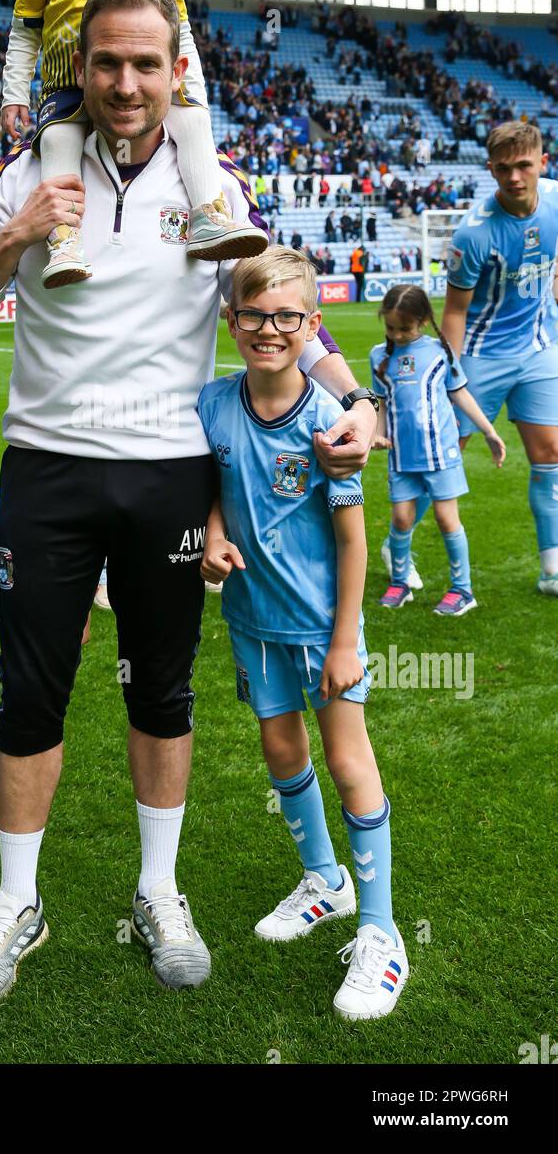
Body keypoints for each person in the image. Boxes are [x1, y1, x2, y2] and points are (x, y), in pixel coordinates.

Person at [0, 0, 379, 1006]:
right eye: (105, 63)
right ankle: (15, 903)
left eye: (144, 64)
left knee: (160, 688)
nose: (125, 84)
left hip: (171, 472)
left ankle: (157, 892)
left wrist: (359, 402)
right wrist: (16, 233)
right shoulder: (27, 174)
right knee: (32, 688)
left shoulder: (210, 181)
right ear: (77, 69)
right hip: (46, 464)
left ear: (175, 71)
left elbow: (282, 310)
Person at [197, 248, 406, 1021]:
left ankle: (383, 930)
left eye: (288, 317)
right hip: (251, 620)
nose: (269, 329)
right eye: (254, 315)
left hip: (323, 628)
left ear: (312, 325)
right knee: (281, 751)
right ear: (231, 320)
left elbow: (354, 541)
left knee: (349, 762)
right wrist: (215, 538)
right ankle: (327, 878)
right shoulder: (213, 405)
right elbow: (215, 489)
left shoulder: (331, 422)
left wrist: (347, 640)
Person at [0, 0, 265, 288]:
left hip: (141, 89)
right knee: (59, 140)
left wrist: (191, 92)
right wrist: (13, 95)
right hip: (66, 86)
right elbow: (25, 34)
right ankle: (64, 240)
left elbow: (179, 30)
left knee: (195, 122)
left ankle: (209, 217)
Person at [443, 121, 558, 596]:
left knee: (550, 454)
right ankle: (399, 543)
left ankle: (552, 569)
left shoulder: (555, 200)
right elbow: (454, 311)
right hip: (480, 355)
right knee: (442, 456)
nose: (515, 177)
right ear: (491, 169)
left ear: (542, 163)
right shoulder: (473, 233)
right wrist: (446, 373)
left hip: (538, 348)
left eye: (524, 165)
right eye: (505, 168)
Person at [370, 286, 506, 615]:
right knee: (401, 519)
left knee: (447, 520)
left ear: (424, 320)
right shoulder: (379, 356)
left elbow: (460, 395)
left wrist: (488, 431)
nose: (398, 335)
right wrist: (378, 433)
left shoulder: (438, 352)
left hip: (440, 455)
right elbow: (382, 405)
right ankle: (400, 583)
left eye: (406, 328)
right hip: (401, 456)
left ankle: (462, 589)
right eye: (391, 328)